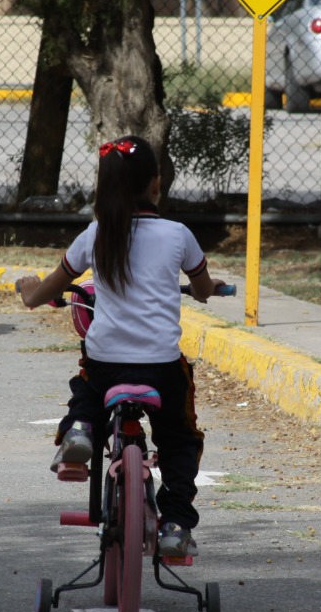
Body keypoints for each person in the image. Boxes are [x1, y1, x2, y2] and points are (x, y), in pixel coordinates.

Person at [14, 136, 223, 557]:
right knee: (180, 439)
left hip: (108, 362)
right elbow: (201, 289)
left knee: (87, 387)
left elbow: (43, 294)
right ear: (154, 184)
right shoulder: (178, 235)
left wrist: (30, 291)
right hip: (160, 368)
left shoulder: (94, 235)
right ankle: (176, 523)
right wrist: (210, 288)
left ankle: (79, 431)